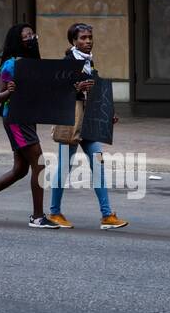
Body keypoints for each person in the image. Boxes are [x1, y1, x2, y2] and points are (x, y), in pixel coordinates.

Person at [0, 23, 58, 228]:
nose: (31, 38)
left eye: (32, 35)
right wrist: (9, 91)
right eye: (26, 36)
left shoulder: (34, 64)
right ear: (17, 41)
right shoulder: (10, 65)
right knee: (39, 164)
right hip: (16, 118)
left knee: (20, 169)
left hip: (28, 118)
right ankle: (37, 216)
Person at [46, 23, 127, 230]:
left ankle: (107, 215)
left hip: (90, 121)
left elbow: (96, 92)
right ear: (73, 41)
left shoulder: (89, 62)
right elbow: (55, 91)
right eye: (83, 38)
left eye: (90, 37)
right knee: (64, 167)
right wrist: (76, 88)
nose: (88, 41)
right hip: (71, 121)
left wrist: (108, 113)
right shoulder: (67, 62)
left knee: (98, 164)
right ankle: (54, 212)